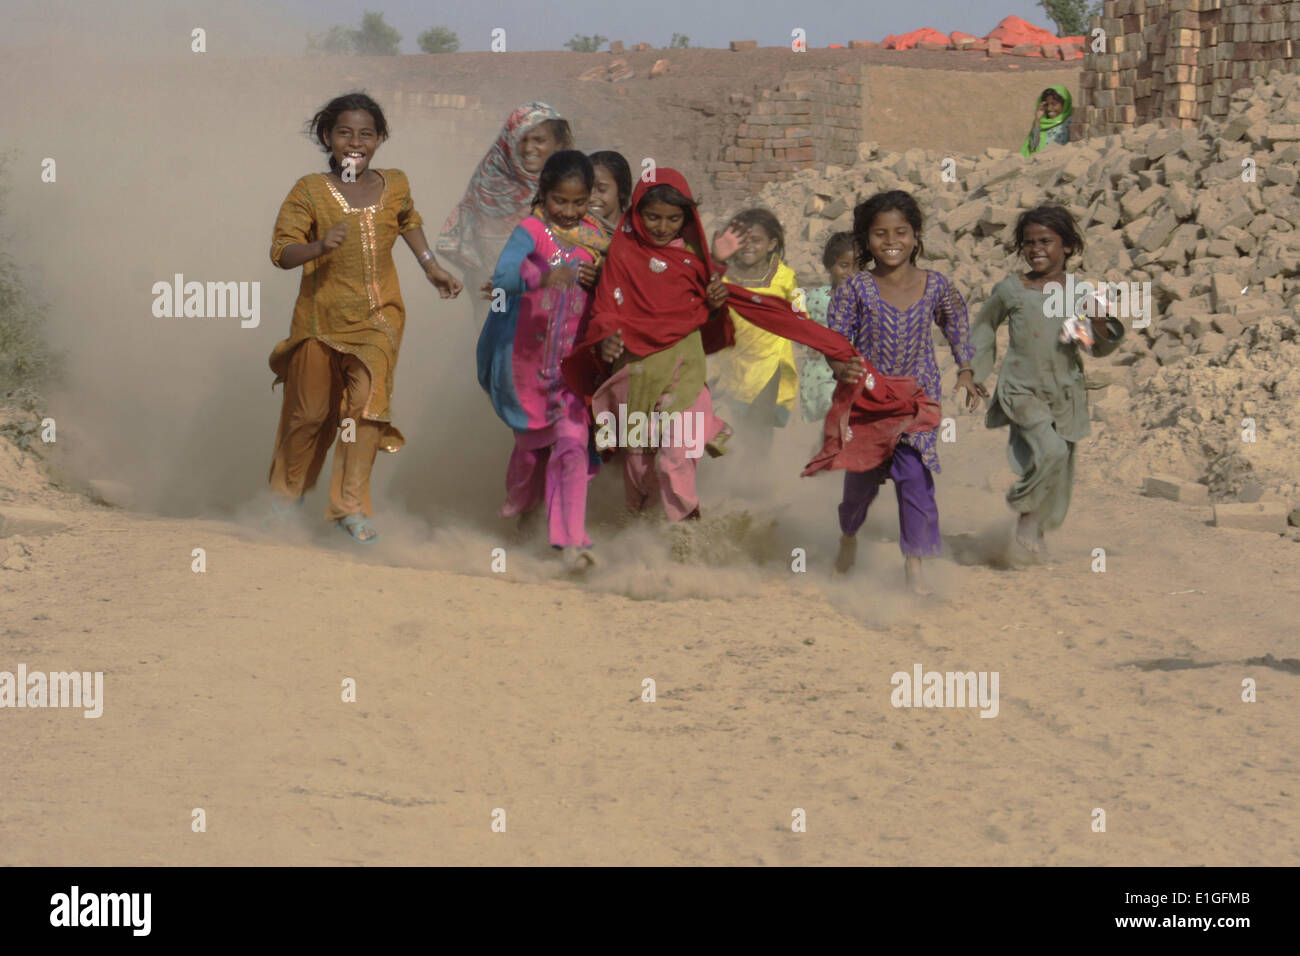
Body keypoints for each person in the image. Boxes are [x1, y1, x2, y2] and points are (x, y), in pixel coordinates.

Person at [561, 169, 922, 524]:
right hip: (634, 377)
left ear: (686, 219)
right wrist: (607, 337)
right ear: (636, 214)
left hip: (681, 377)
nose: (662, 226)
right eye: (652, 217)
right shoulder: (621, 258)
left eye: (673, 218)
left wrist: (715, 301)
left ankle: (686, 529)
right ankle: (642, 536)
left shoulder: (691, 262)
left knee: (677, 455)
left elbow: (711, 326)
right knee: (638, 467)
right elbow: (607, 308)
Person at [267, 92, 461, 544]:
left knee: (367, 409)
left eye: (366, 133)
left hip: (380, 319)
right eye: (344, 133)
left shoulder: (395, 183)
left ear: (380, 139)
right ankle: (282, 502)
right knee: (309, 415)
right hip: (320, 320)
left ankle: (349, 509)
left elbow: (409, 220)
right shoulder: (309, 190)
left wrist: (431, 265)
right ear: (327, 138)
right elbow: (281, 252)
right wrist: (318, 246)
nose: (355, 141)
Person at [824, 190, 979, 594]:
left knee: (915, 479)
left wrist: (965, 368)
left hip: (917, 399)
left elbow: (957, 322)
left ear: (915, 235)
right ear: (867, 239)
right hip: (868, 402)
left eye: (901, 232)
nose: (891, 241)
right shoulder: (856, 288)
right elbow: (835, 339)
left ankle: (914, 569)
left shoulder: (935, 286)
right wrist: (842, 368)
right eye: (879, 234)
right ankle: (848, 538)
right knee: (858, 489)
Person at [477, 151, 609, 572]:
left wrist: (599, 277)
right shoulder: (530, 232)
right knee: (530, 459)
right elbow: (503, 278)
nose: (569, 212)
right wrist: (540, 276)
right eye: (560, 201)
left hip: (572, 368)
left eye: (579, 202)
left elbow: (619, 290)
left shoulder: (598, 240)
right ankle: (522, 511)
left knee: (572, 445)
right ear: (544, 195)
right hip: (526, 368)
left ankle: (571, 544)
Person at [970, 204, 1124, 555]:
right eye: (1029, 243)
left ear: (1067, 246)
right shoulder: (1011, 290)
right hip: (1021, 388)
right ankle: (1025, 516)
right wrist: (974, 372)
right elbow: (983, 327)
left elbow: (1091, 346)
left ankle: (1035, 533)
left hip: (1064, 392)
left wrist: (1099, 325)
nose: (1036, 249)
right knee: (1050, 451)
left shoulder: (1080, 293)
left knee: (1059, 467)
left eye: (1046, 241)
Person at [437, 102, 574, 298]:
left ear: (558, 144)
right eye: (522, 139)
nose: (529, 148)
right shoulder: (491, 179)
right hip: (495, 287)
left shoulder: (571, 182)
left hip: (555, 295)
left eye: (539, 140)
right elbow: (487, 250)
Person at [707, 208, 800, 452]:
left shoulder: (785, 277)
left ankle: (755, 481)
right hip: (730, 362)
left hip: (769, 364)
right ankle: (720, 477)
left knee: (759, 424)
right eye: (742, 240)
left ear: (771, 244)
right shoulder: (722, 277)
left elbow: (801, 316)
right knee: (722, 421)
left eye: (756, 240)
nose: (748, 246)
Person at [798, 231, 856, 425]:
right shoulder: (815, 298)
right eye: (844, 265)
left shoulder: (866, 302)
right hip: (820, 372)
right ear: (830, 266)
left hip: (852, 370)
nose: (850, 273)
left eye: (857, 267)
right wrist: (810, 343)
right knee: (830, 409)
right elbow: (797, 326)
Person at [587, 150, 633, 232]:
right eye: (586, 189)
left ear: (622, 190)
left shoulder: (635, 235)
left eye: (601, 189)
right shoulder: (576, 233)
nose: (591, 198)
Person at [1021, 85, 1073, 158]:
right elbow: (1033, 147)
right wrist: (1037, 119)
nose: (1049, 108)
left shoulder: (1072, 122)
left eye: (1054, 104)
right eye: (1046, 105)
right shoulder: (1041, 123)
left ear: (1064, 104)